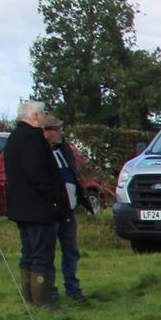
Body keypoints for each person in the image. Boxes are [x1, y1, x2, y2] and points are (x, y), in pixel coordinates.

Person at [2, 100, 70, 310]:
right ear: (33, 117)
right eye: (41, 114)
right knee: (41, 255)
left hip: (21, 208)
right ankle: (43, 301)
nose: (43, 117)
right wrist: (54, 198)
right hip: (39, 209)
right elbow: (37, 174)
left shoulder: (14, 137)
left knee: (29, 254)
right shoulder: (33, 138)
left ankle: (30, 299)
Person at [45, 119, 89, 305]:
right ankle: (51, 291)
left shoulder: (64, 150)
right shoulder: (41, 153)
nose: (61, 132)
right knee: (48, 253)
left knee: (71, 251)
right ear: (46, 132)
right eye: (57, 129)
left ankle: (73, 289)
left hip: (68, 210)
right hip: (51, 210)